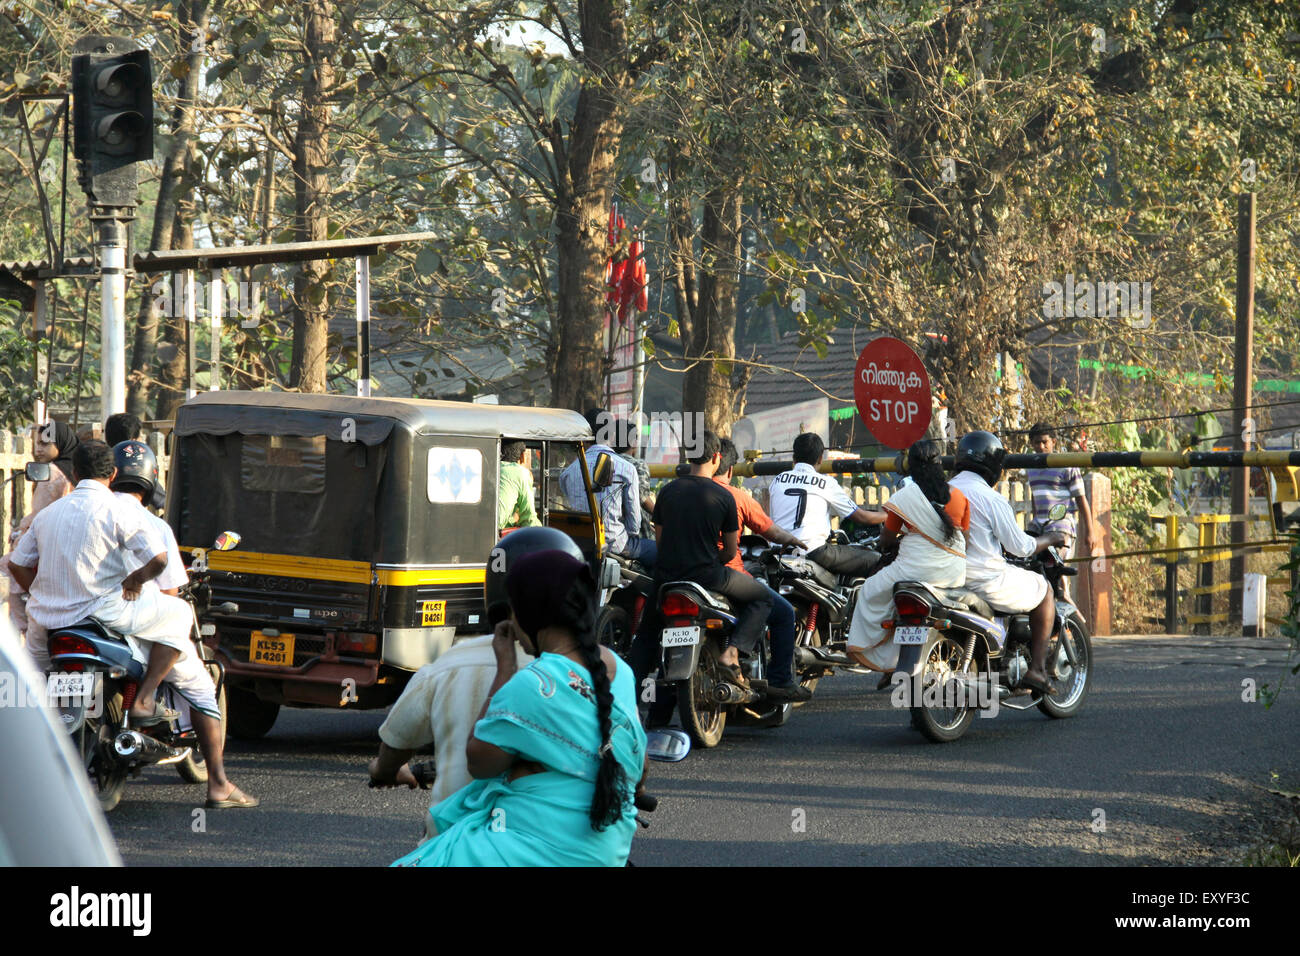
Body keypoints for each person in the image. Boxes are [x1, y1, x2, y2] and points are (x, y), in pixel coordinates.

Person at [390, 548, 647, 867]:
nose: (511, 620)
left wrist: (504, 672)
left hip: (534, 847)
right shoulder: (621, 671)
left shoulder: (533, 685)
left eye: (513, 610)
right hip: (606, 850)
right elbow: (639, 768)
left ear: (530, 613)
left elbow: (480, 763)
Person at [368, 530, 559, 840]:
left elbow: (396, 742)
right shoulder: (594, 673)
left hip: (453, 844)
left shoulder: (449, 664)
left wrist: (385, 771)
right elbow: (631, 765)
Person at [109, 440, 257, 809]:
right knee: (202, 686)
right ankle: (219, 784)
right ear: (150, 480)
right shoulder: (154, 525)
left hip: (86, 621)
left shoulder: (90, 513)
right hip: (137, 623)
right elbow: (171, 589)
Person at [627, 430, 773, 695]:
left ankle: (628, 700)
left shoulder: (668, 492)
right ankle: (731, 653)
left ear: (688, 457)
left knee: (646, 638)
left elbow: (661, 544)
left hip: (667, 578)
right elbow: (730, 552)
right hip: (708, 576)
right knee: (763, 598)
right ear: (717, 458)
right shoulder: (724, 497)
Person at [949, 431, 1066, 697]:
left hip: (946, 578)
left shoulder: (942, 490)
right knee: (1044, 589)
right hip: (984, 581)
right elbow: (1021, 547)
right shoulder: (990, 498)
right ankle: (1036, 669)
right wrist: (1050, 537)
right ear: (994, 466)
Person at [845, 440, 970, 682]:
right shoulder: (959, 496)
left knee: (869, 590)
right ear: (939, 462)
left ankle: (877, 655)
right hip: (953, 572)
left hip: (911, 570)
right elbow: (964, 537)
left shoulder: (905, 497)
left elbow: (887, 538)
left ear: (910, 465)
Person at [713, 438, 810, 700]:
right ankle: (780, 681)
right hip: (726, 575)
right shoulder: (736, 497)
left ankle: (659, 706)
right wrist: (792, 539)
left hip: (683, 575)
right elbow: (770, 531)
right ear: (730, 470)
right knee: (781, 611)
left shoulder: (681, 492)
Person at [1, 422, 78, 635]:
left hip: (45, 543)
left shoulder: (50, 473)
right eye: (37, 444)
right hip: (70, 544)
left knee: (9, 566)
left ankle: (21, 631)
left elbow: (39, 515)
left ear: (60, 444)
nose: (38, 449)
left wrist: (19, 535)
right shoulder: (75, 469)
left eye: (45, 444)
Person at [559, 408, 656, 569]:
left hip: (580, 543)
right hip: (615, 545)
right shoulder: (627, 468)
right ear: (611, 435)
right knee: (661, 551)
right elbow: (634, 526)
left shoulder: (568, 473)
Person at [767, 432, 886, 555]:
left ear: (794, 458)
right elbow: (862, 517)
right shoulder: (827, 483)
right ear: (820, 459)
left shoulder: (777, 480)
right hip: (811, 550)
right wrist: (890, 515)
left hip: (778, 551)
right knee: (872, 559)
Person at [1026, 423, 1102, 560]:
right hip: (1039, 526)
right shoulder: (1030, 468)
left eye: (1045, 442)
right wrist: (1035, 518)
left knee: (1055, 561)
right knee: (1026, 556)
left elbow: (1081, 499)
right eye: (1037, 443)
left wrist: (1090, 532)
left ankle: (1059, 574)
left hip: (1060, 526)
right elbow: (1035, 496)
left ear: (1053, 442)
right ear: (1032, 443)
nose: (1041, 447)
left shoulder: (1066, 465)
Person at [496, 440, 541, 531]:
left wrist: (514, 517)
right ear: (522, 457)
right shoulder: (521, 473)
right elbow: (529, 518)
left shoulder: (487, 467)